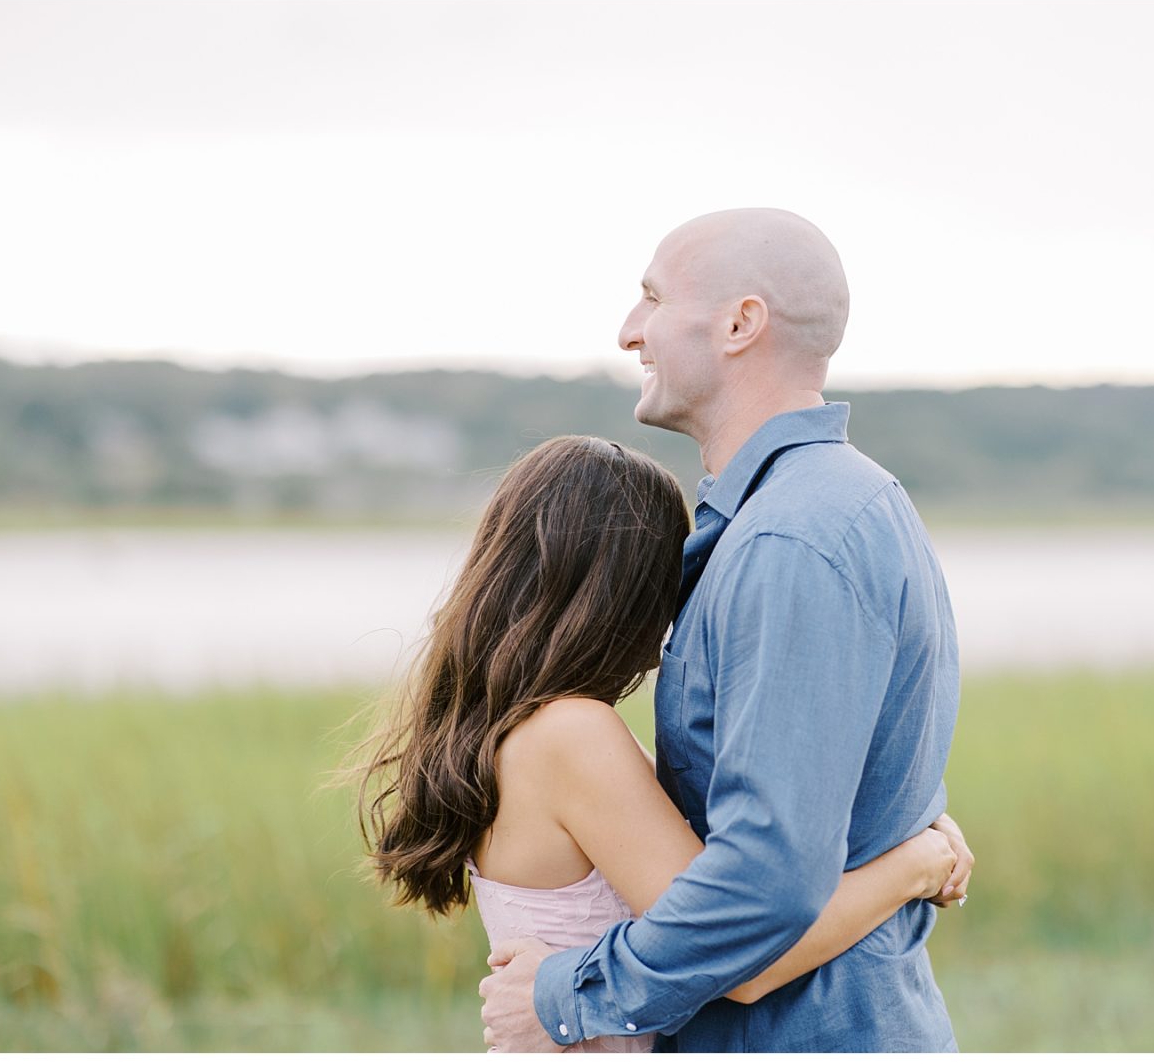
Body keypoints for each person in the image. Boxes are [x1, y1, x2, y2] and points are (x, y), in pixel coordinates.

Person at [479, 209, 968, 1052]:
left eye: (652, 298)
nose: (629, 330)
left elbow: (766, 884)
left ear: (741, 324)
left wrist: (567, 993)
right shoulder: (800, 517)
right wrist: (915, 861)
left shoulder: (792, 540)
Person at [347, 434, 968, 1052]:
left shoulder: (520, 731)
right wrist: (916, 865)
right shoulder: (571, 735)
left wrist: (917, 816)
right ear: (627, 593)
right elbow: (744, 959)